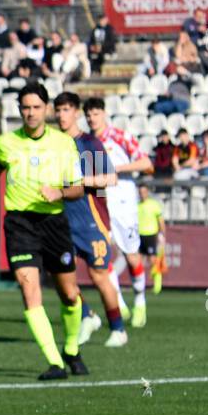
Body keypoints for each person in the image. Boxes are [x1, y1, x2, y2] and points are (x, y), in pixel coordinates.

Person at [0, 83, 86, 378]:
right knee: (29, 288)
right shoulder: (5, 143)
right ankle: (55, 363)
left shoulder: (63, 144)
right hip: (20, 224)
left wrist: (60, 192)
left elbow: (80, 187)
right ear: (19, 110)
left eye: (37, 107)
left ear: (47, 109)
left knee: (69, 295)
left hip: (54, 223)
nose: (31, 113)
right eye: (26, 107)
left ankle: (72, 349)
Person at [53, 91, 128, 348]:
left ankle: (118, 328)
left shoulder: (88, 143)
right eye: (58, 110)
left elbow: (110, 179)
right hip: (61, 221)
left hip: (91, 219)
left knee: (99, 277)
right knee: (63, 279)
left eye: (66, 110)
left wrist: (83, 182)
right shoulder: (52, 143)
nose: (61, 115)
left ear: (76, 112)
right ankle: (87, 315)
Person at [84, 97, 154, 329]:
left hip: (124, 203)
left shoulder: (120, 137)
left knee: (132, 255)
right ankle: (120, 303)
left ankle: (140, 300)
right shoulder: (87, 142)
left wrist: (118, 169)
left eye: (95, 113)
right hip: (101, 203)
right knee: (104, 254)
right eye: (88, 114)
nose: (92, 118)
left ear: (104, 113)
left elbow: (146, 164)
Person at [136, 185, 164, 294]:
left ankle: (157, 284)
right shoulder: (137, 205)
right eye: (140, 192)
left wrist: (162, 234)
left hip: (151, 234)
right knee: (138, 261)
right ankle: (140, 284)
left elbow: (160, 220)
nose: (142, 194)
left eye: (144, 192)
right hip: (139, 235)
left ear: (147, 192)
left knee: (152, 260)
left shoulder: (154, 205)